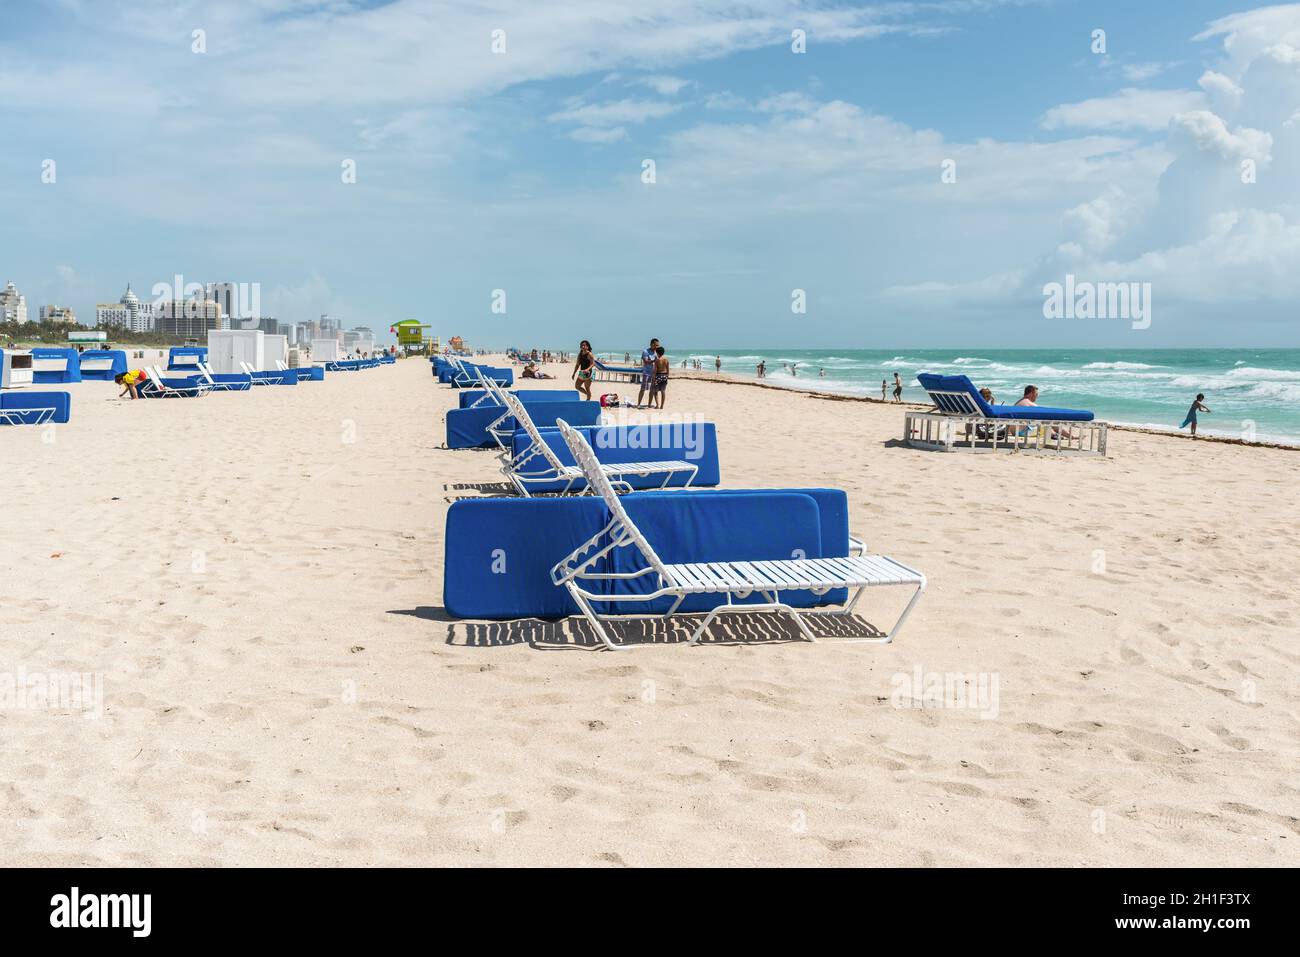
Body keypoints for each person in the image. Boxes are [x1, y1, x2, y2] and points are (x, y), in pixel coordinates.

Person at [636, 337, 659, 407]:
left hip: (653, 373)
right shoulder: (645, 351)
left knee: (652, 390)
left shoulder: (656, 353)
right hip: (646, 373)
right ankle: (639, 404)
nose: (656, 347)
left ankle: (649, 404)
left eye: (657, 345)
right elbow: (645, 361)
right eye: (655, 345)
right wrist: (653, 361)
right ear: (651, 344)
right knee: (643, 389)